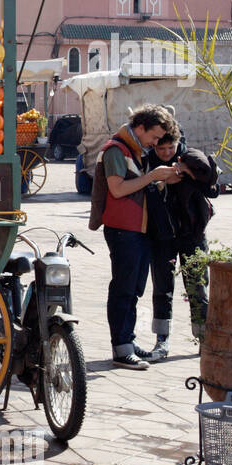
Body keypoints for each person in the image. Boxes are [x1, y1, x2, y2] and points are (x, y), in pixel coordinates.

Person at [89, 105, 183, 370]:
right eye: (154, 137)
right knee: (124, 289)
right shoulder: (116, 150)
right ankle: (121, 348)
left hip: (137, 229)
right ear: (140, 127)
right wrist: (153, 176)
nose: (155, 143)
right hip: (123, 228)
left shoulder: (135, 150)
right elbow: (117, 189)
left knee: (134, 290)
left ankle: (127, 342)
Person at [142, 131, 220, 358]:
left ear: (179, 143)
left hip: (192, 233)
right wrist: (160, 181)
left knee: (197, 285)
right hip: (161, 234)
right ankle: (162, 340)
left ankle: (203, 337)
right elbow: (138, 193)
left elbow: (212, 191)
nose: (166, 153)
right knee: (162, 287)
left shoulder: (191, 159)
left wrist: (189, 173)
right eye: (161, 148)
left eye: (170, 148)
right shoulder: (148, 164)